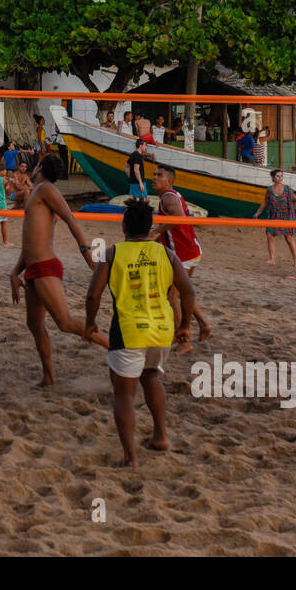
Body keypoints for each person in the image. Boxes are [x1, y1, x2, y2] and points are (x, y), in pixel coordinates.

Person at [85, 198, 195, 468]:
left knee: (124, 395)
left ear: (124, 226)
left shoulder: (112, 253)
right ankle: (160, 436)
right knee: (151, 378)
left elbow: (93, 295)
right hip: (161, 330)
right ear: (150, 228)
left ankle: (130, 457)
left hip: (128, 330)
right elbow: (189, 291)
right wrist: (185, 327)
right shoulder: (166, 254)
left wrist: (89, 323)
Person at [6, 154, 105, 385]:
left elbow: (71, 219)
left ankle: (117, 348)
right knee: (34, 324)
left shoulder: (46, 189)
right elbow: (30, 241)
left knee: (66, 323)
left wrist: (85, 251)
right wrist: (14, 272)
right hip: (32, 266)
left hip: (45, 266)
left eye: (35, 164)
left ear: (39, 168)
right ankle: (48, 377)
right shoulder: (36, 193)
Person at [148, 165, 211, 353]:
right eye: (154, 174)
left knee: (171, 296)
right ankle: (204, 324)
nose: (154, 178)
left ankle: (184, 340)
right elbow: (173, 225)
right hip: (190, 250)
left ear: (169, 181)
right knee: (184, 293)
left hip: (184, 254)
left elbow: (179, 218)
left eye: (159, 175)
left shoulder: (168, 198)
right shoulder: (168, 197)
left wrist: (156, 231)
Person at [256, 168, 296, 268]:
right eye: (278, 176)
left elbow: (294, 198)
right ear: (273, 178)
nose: (280, 178)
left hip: (286, 216)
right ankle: (272, 259)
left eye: (281, 176)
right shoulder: (269, 190)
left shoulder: (287, 189)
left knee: (289, 238)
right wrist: (258, 212)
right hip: (274, 215)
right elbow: (265, 202)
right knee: (270, 235)